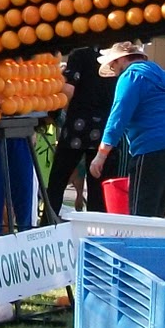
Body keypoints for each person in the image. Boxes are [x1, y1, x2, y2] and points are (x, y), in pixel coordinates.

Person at [89, 42, 165, 219]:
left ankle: (141, 237)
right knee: (157, 211)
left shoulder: (131, 75)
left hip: (154, 146)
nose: (114, 71)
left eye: (113, 65)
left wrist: (101, 155)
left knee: (141, 213)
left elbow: (118, 116)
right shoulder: (160, 74)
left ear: (121, 59)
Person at [47, 44, 118, 215]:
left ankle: (49, 222)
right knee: (97, 187)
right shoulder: (114, 58)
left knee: (58, 181)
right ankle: (95, 225)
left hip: (77, 127)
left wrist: (54, 112)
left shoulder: (79, 54)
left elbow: (69, 90)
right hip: (104, 128)